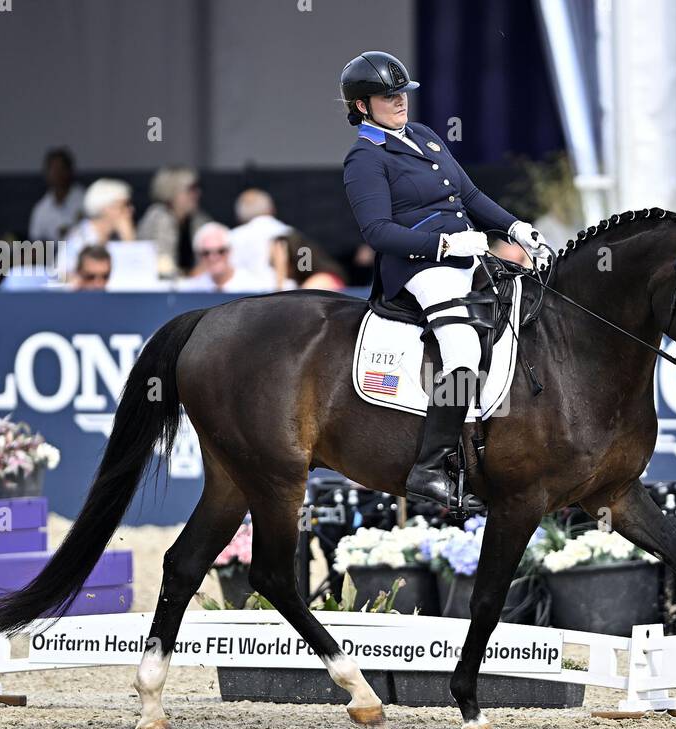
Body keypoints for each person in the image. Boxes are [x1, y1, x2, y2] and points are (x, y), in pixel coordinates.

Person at [340, 51, 552, 511]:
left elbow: (470, 194)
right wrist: (442, 247)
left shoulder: (423, 136)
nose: (400, 101)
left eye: (402, 93)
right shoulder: (364, 158)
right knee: (462, 350)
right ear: (362, 106)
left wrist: (514, 228)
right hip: (421, 268)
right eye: (387, 96)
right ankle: (431, 467)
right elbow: (376, 232)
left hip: (469, 254)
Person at [137, 166, 211, 279]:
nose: (197, 193)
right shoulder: (159, 217)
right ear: (172, 191)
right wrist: (191, 275)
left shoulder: (197, 219)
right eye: (191, 188)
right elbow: (164, 269)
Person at [62, 178, 136, 277]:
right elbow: (63, 277)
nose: (130, 210)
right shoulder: (79, 237)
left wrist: (128, 239)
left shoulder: (117, 236)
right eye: (124, 206)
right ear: (105, 208)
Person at [230, 189, 291, 290]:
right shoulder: (289, 232)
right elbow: (306, 266)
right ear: (271, 209)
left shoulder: (231, 237)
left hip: (240, 296)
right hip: (285, 295)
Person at [176, 223, 261, 292]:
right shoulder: (192, 290)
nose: (213, 258)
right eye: (206, 253)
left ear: (229, 251)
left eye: (220, 251)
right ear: (199, 256)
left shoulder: (252, 287)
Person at [28, 148, 86, 242]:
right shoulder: (41, 208)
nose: (57, 174)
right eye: (53, 169)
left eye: (61, 168)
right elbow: (36, 244)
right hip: (52, 255)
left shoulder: (86, 201)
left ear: (70, 171)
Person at [273, 230, 349, 291]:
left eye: (276, 260)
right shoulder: (318, 281)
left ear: (293, 258)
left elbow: (283, 307)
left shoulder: (320, 282)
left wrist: (280, 275)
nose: (274, 266)